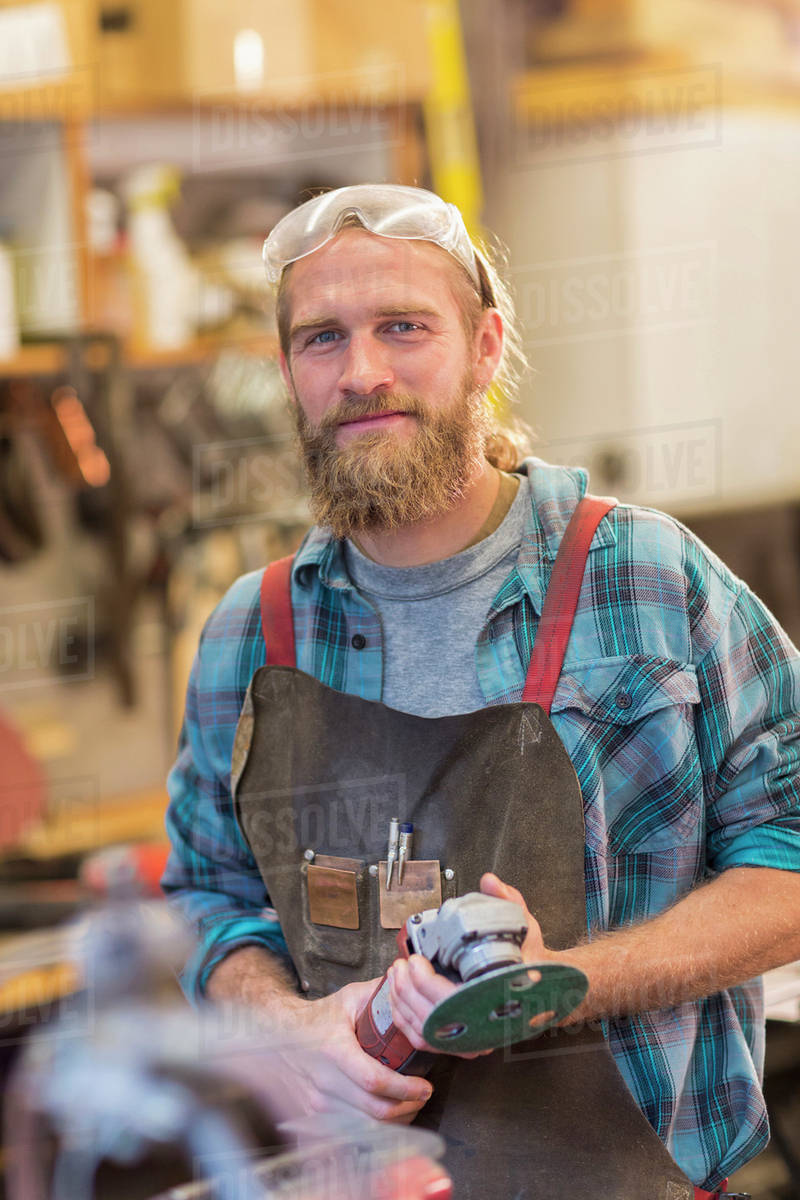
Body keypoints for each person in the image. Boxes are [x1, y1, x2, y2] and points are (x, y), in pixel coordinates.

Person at [163, 184, 800, 1199]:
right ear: (287, 372)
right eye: (321, 338)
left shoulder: (644, 579)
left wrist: (575, 982)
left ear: (486, 346)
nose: (362, 371)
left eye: (402, 327)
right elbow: (210, 898)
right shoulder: (253, 633)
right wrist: (292, 1026)